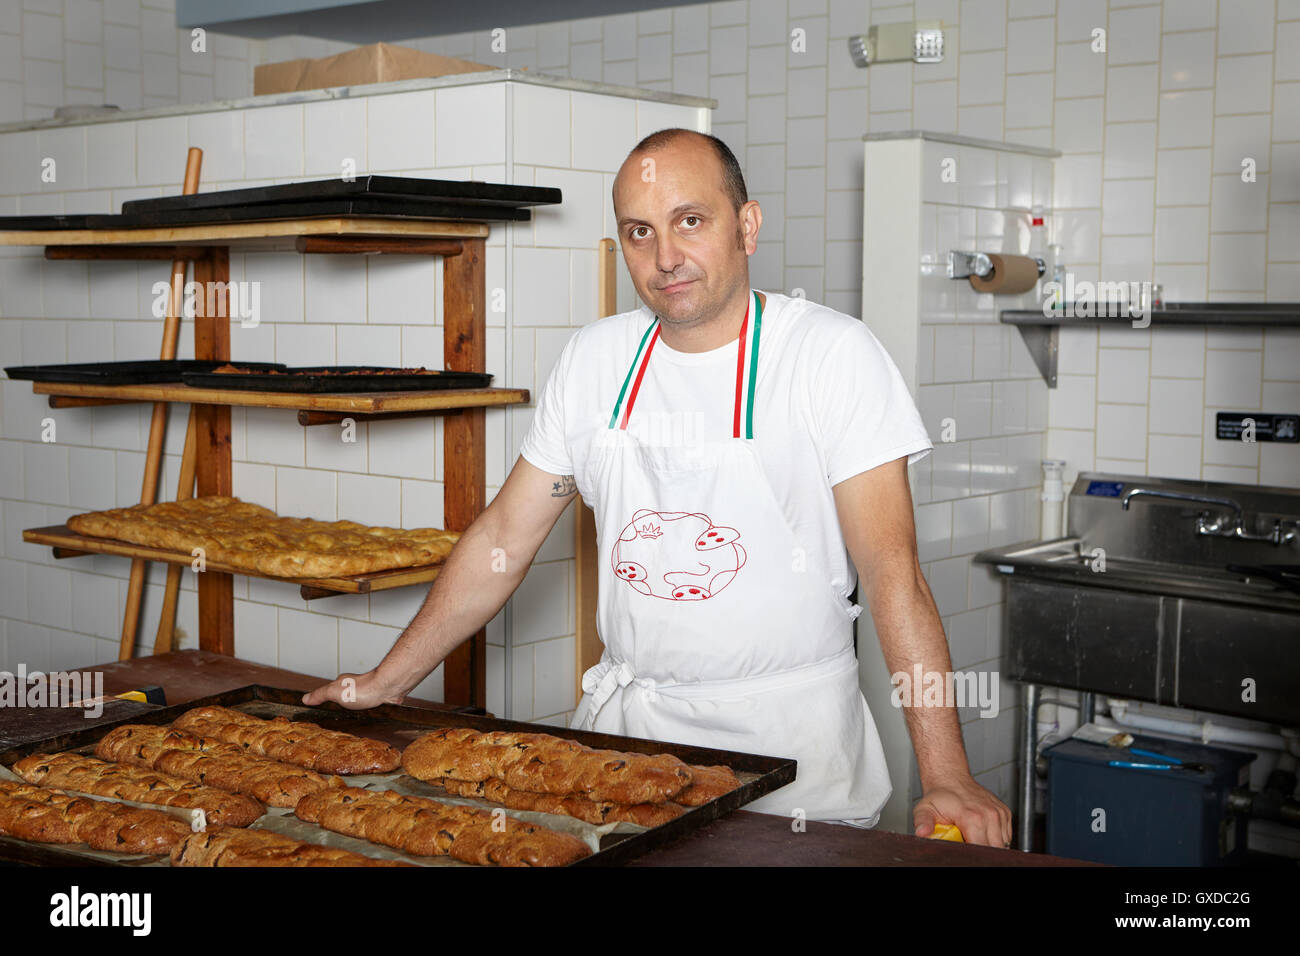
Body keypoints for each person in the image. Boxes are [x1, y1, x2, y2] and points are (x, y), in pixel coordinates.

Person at [305, 127, 1012, 848]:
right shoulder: (594, 360)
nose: (665, 257)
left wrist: (946, 771)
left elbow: (893, 572)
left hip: (795, 759)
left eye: (690, 221)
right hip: (625, 756)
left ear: (748, 225)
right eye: (639, 232)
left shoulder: (830, 356)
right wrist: (391, 679)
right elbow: (501, 541)